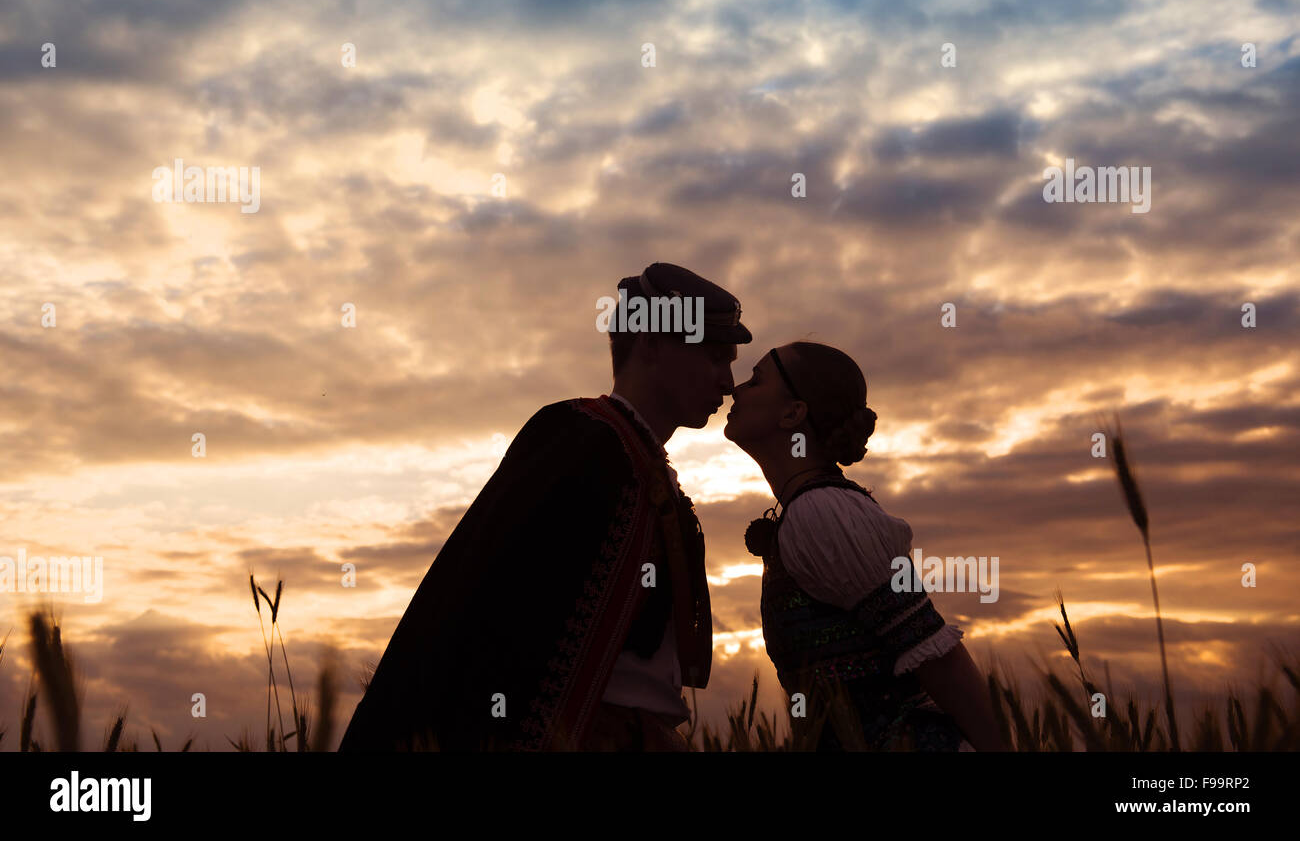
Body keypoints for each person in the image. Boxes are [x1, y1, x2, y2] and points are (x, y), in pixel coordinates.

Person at [338, 262, 750, 751]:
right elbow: (487, 609)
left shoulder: (642, 463)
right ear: (651, 343)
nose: (728, 382)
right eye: (713, 356)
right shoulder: (578, 438)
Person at [724, 341, 1006, 751]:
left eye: (756, 379)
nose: (737, 389)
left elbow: (935, 655)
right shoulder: (813, 509)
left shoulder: (823, 512)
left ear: (793, 413)